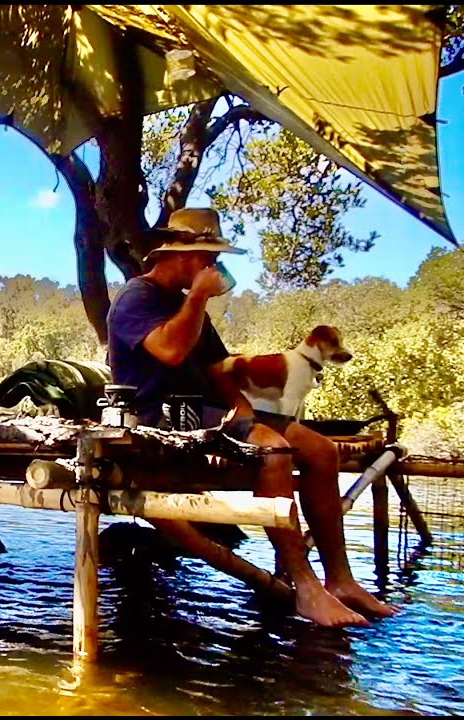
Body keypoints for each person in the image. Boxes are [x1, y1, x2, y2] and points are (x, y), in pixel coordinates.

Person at [106, 207, 393, 628]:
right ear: (184, 256)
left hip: (208, 412)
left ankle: (341, 579)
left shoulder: (189, 307)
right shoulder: (138, 297)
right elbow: (169, 351)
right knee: (273, 451)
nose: (213, 268)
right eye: (209, 259)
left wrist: (240, 406)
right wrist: (198, 297)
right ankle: (305, 587)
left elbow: (217, 370)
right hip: (161, 418)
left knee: (320, 450)